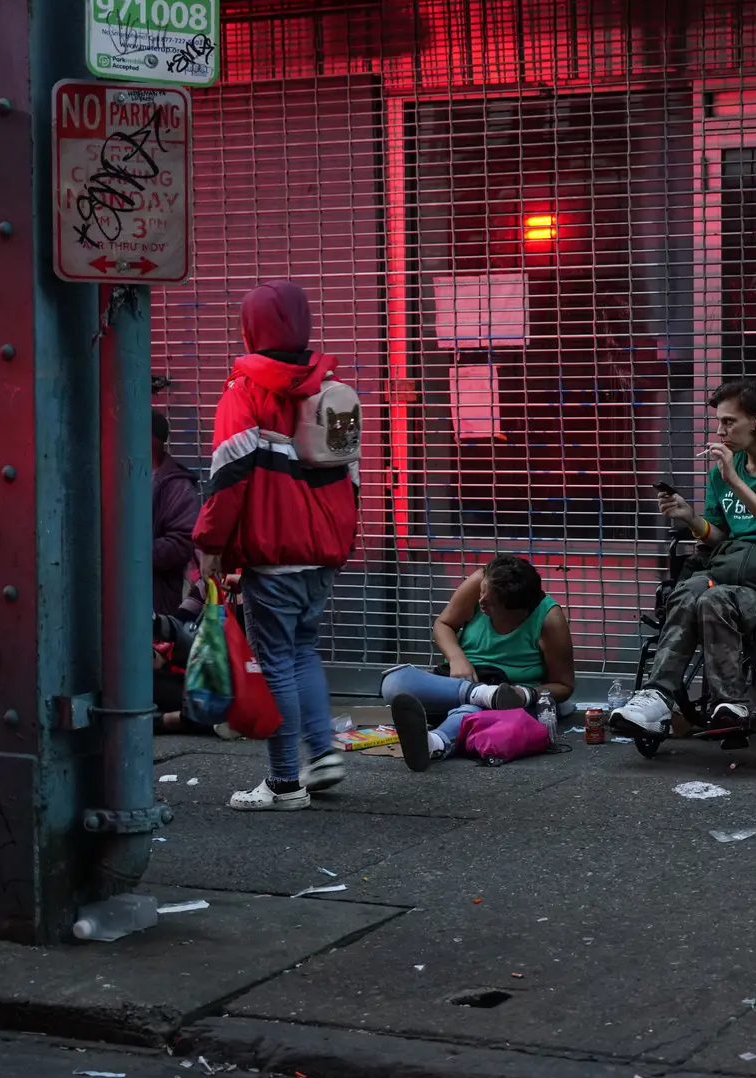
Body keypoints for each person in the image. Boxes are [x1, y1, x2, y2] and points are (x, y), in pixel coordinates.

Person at [194, 281, 359, 811]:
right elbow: (351, 478)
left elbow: (228, 481)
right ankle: (324, 754)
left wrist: (211, 546)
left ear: (250, 328)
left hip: (274, 552)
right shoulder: (330, 389)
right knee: (303, 651)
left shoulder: (245, 393)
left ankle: (285, 783)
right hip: (323, 551)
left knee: (276, 661)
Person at [611, 380, 756, 736]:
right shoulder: (721, 472)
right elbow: (720, 534)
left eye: (728, 422)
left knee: (715, 598)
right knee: (688, 590)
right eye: (718, 422)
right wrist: (690, 517)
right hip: (728, 568)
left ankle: (732, 702)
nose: (719, 431)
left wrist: (736, 480)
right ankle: (658, 698)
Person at [382, 553, 575, 771]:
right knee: (394, 683)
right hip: (458, 684)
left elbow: (564, 686)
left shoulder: (549, 619)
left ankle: (435, 743)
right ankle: (484, 695)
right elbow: (443, 624)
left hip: (510, 694)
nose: (481, 601)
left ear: (517, 610)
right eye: (482, 592)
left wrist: (524, 694)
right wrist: (457, 658)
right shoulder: (481, 581)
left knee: (472, 711)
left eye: (490, 603)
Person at [151, 409, 202, 619]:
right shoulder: (115, 476)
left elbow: (181, 543)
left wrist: (122, 555)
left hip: (157, 604)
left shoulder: (176, 486)